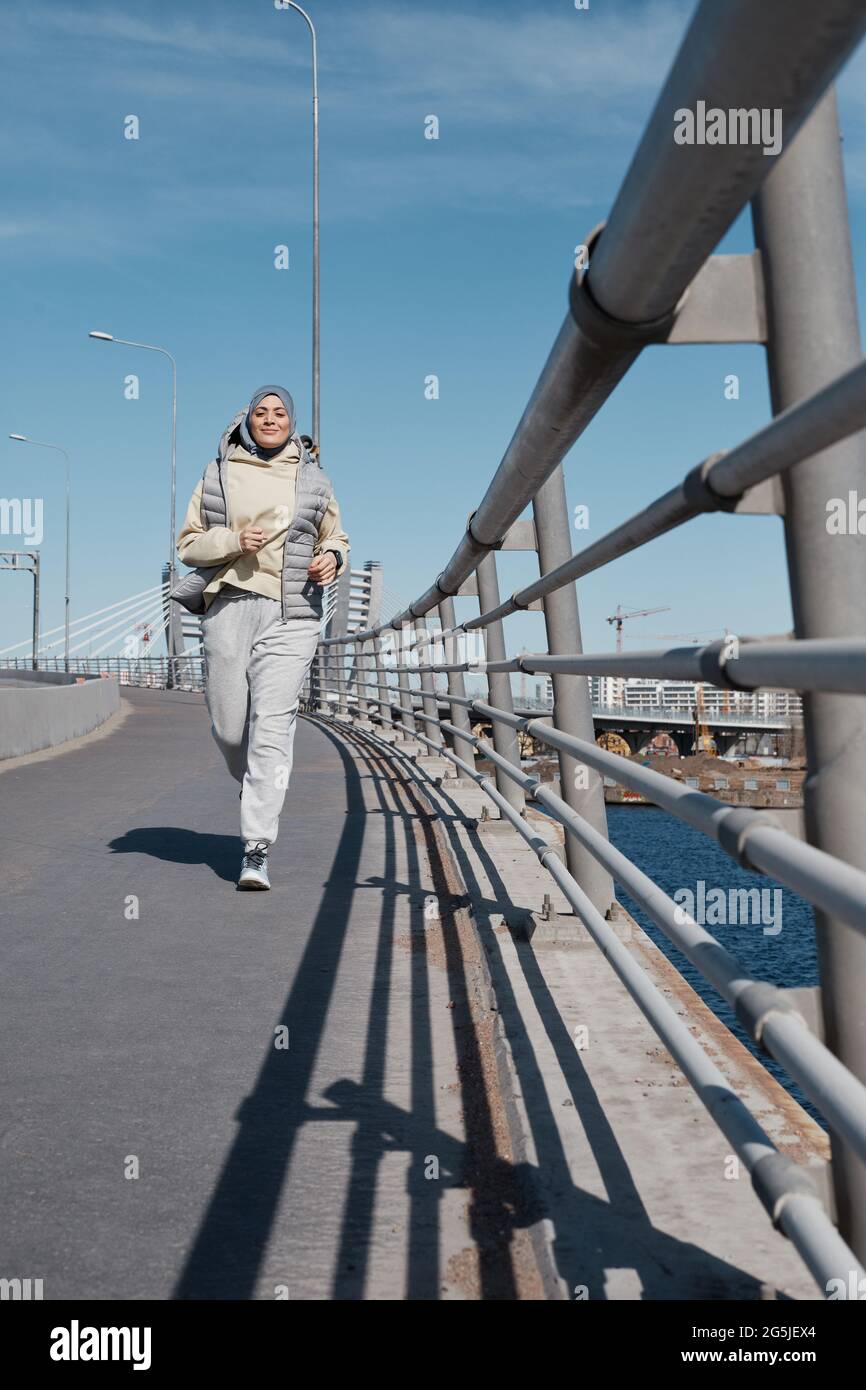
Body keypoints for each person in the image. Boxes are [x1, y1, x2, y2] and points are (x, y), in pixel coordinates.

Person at [173, 385, 349, 890]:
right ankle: (255, 785)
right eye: (261, 412)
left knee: (272, 727)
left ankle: (256, 847)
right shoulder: (218, 473)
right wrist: (232, 540)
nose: (270, 419)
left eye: (279, 413)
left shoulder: (313, 478)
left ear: (291, 422)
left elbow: (336, 537)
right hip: (229, 606)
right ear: (246, 419)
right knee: (231, 731)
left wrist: (331, 559)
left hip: (293, 613)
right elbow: (187, 545)